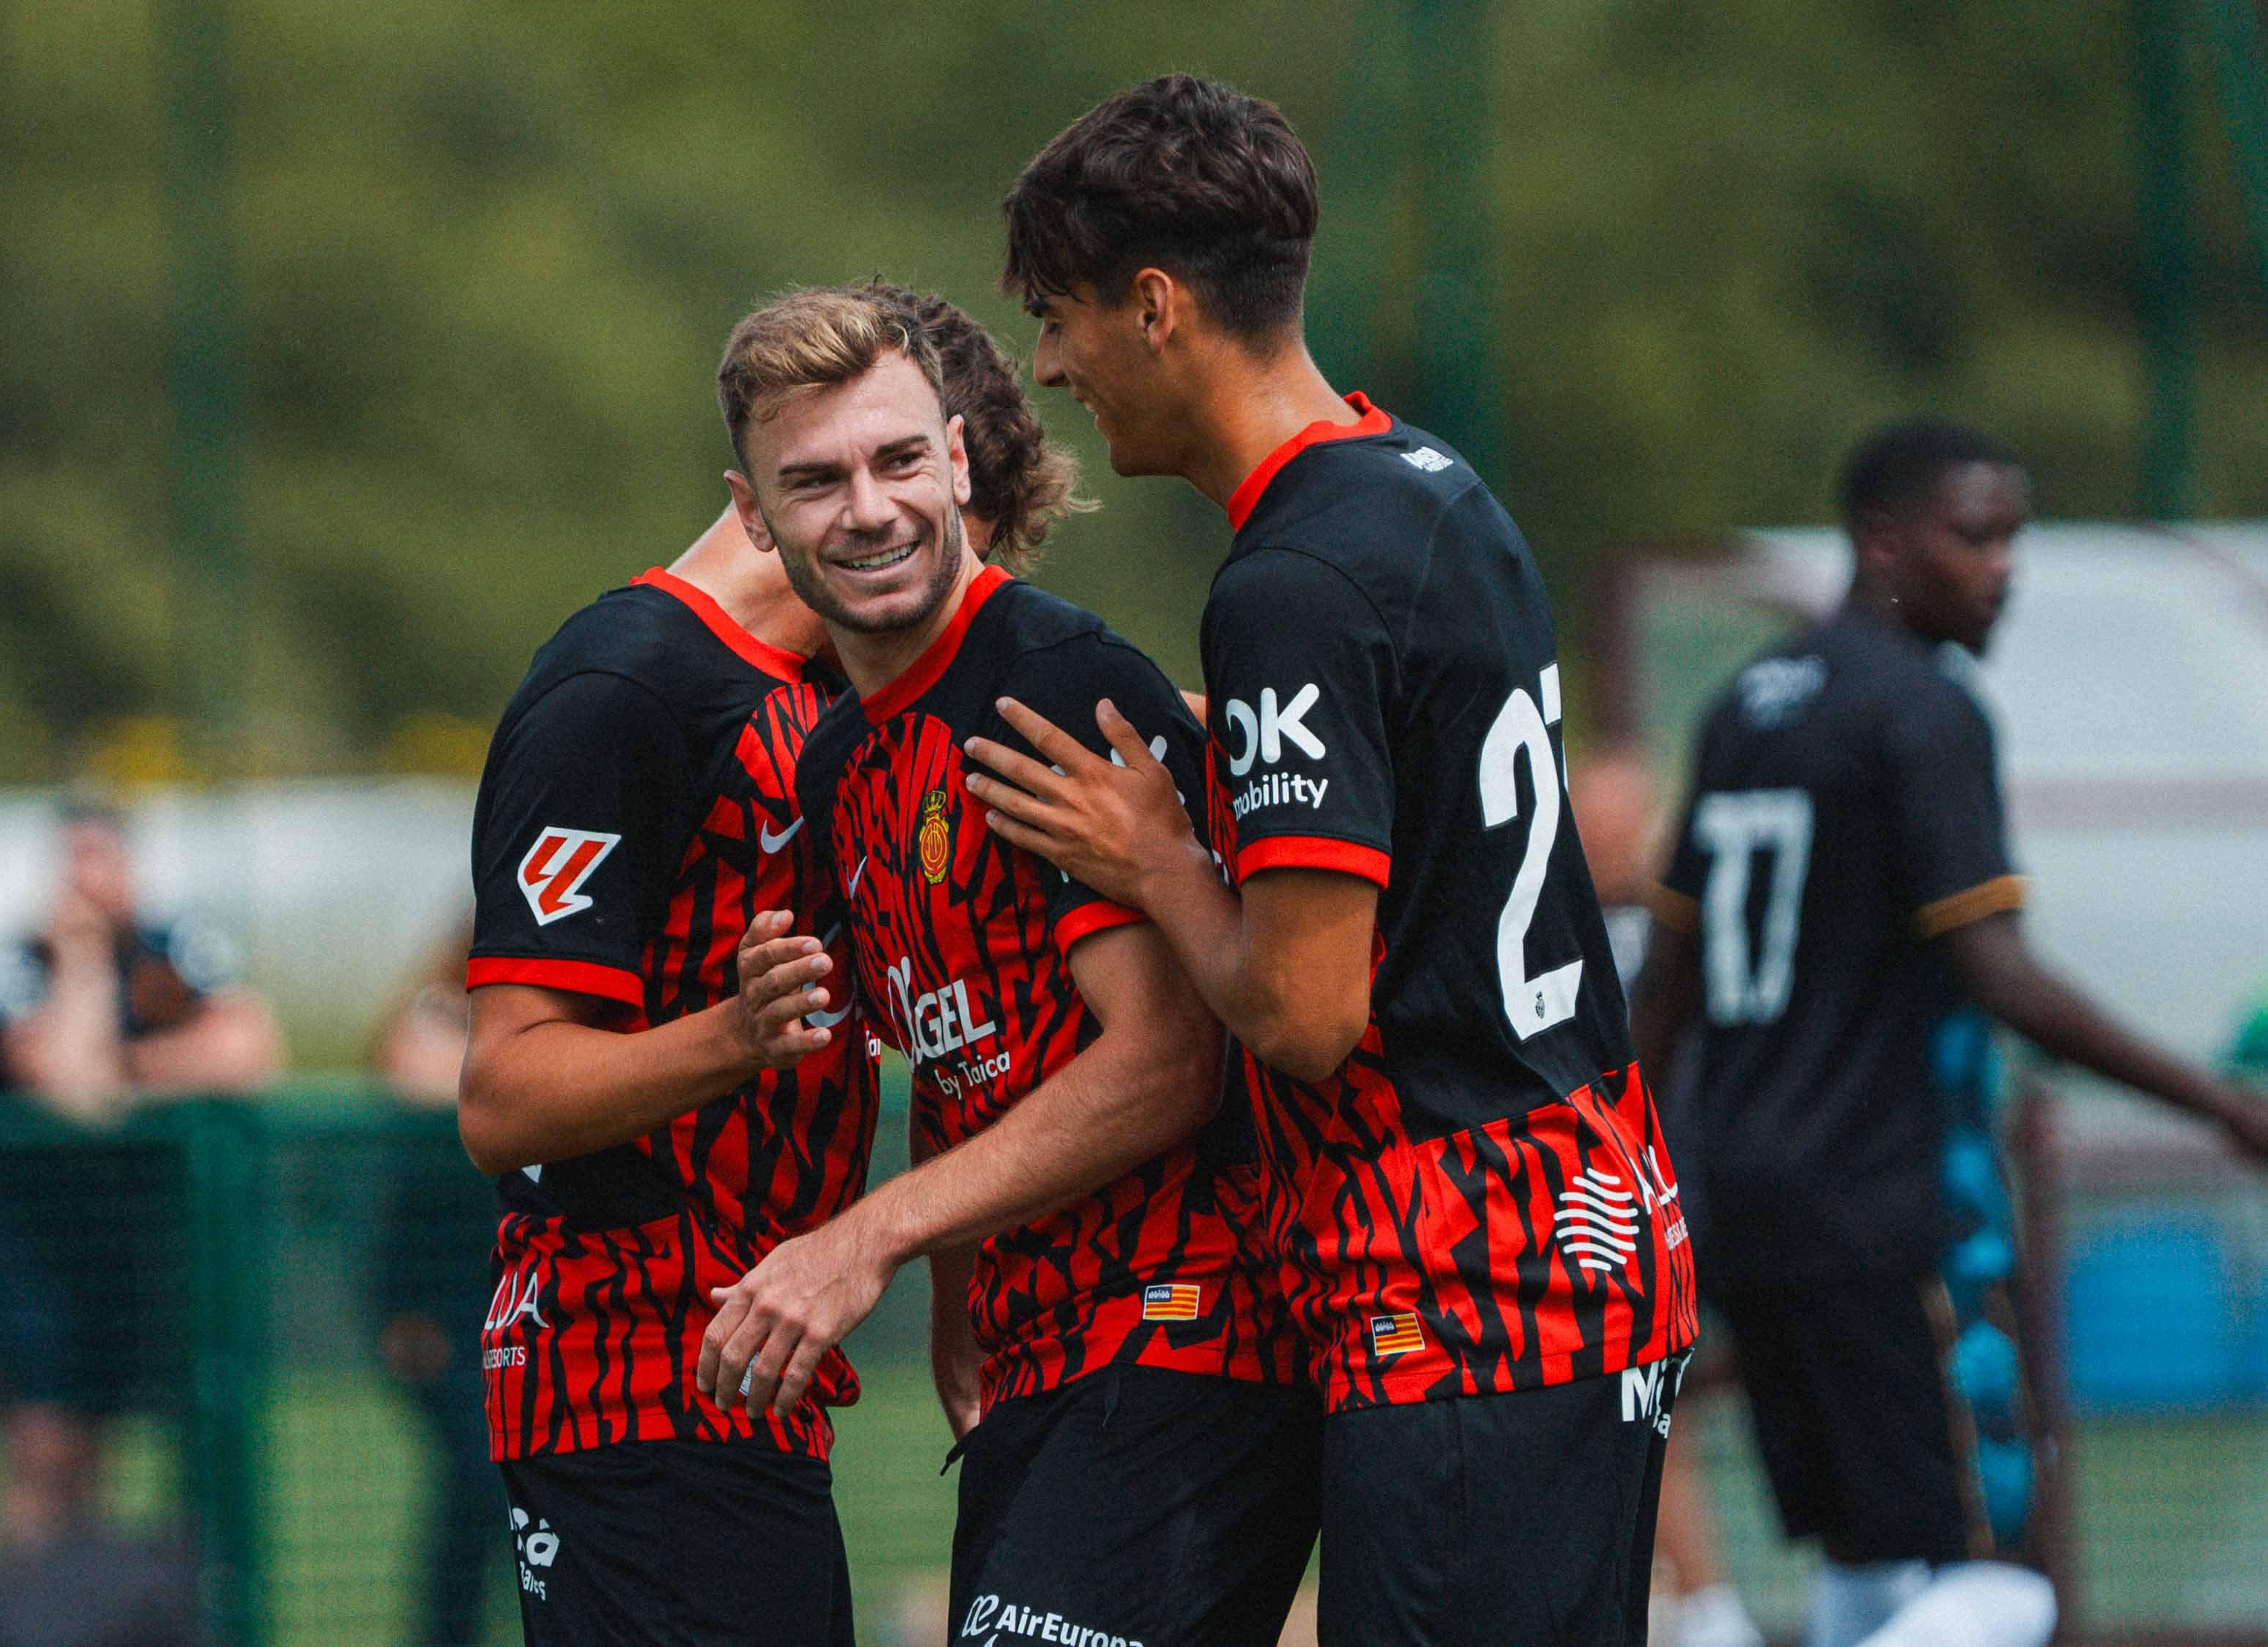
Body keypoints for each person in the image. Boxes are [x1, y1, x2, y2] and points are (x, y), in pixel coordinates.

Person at [967, 76, 1696, 1647]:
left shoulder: (1288, 578)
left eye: (1056, 315)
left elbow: (1304, 1012)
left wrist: (1155, 854)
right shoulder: (1421, 483)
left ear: (1152, 306)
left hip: (1460, 1282)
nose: (1044, 364)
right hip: (1591, 1215)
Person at [457, 282, 1094, 1647]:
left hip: (758, 1372)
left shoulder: (832, 710)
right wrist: (728, 1037)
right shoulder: (622, 690)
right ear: (771, 506)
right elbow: (502, 1097)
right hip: (624, 1377)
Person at [701, 283, 1320, 1647]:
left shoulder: (1043, 684)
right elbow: (959, 1043)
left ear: (959, 463)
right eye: (813, 481)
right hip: (1044, 1354)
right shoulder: (843, 757)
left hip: (1187, 1330)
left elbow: (1166, 1061)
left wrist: (870, 1235)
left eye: (896, 460)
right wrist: (961, 1279)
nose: (866, 509)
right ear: (753, 519)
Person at [1627, 417, 2268, 1647]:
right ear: (1881, 545)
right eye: (1973, 537)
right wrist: (2218, 1104)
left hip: (1744, 1202)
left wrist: (1620, 1162)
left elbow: (1667, 979)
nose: (2002, 567)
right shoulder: (1924, 711)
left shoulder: (1747, 705)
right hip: (1884, 1208)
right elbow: (1998, 974)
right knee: (2000, 1583)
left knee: (1870, 1560)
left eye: (2012, 538)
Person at [0, 796, 284, 1557]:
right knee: (51, 1459)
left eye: (96, 857)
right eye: (68, 860)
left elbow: (250, 1053)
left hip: (157, 1259)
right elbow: (70, 1091)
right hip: (38, 1264)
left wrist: (127, 1070)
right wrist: (79, 964)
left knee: (203, 1460)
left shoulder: (177, 947)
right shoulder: (21, 961)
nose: (82, 878)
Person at [366, 918, 505, 1647]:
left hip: (507, 1284)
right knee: (476, 1475)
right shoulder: (432, 1009)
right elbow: (417, 1071)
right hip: (433, 1300)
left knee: (493, 1486)